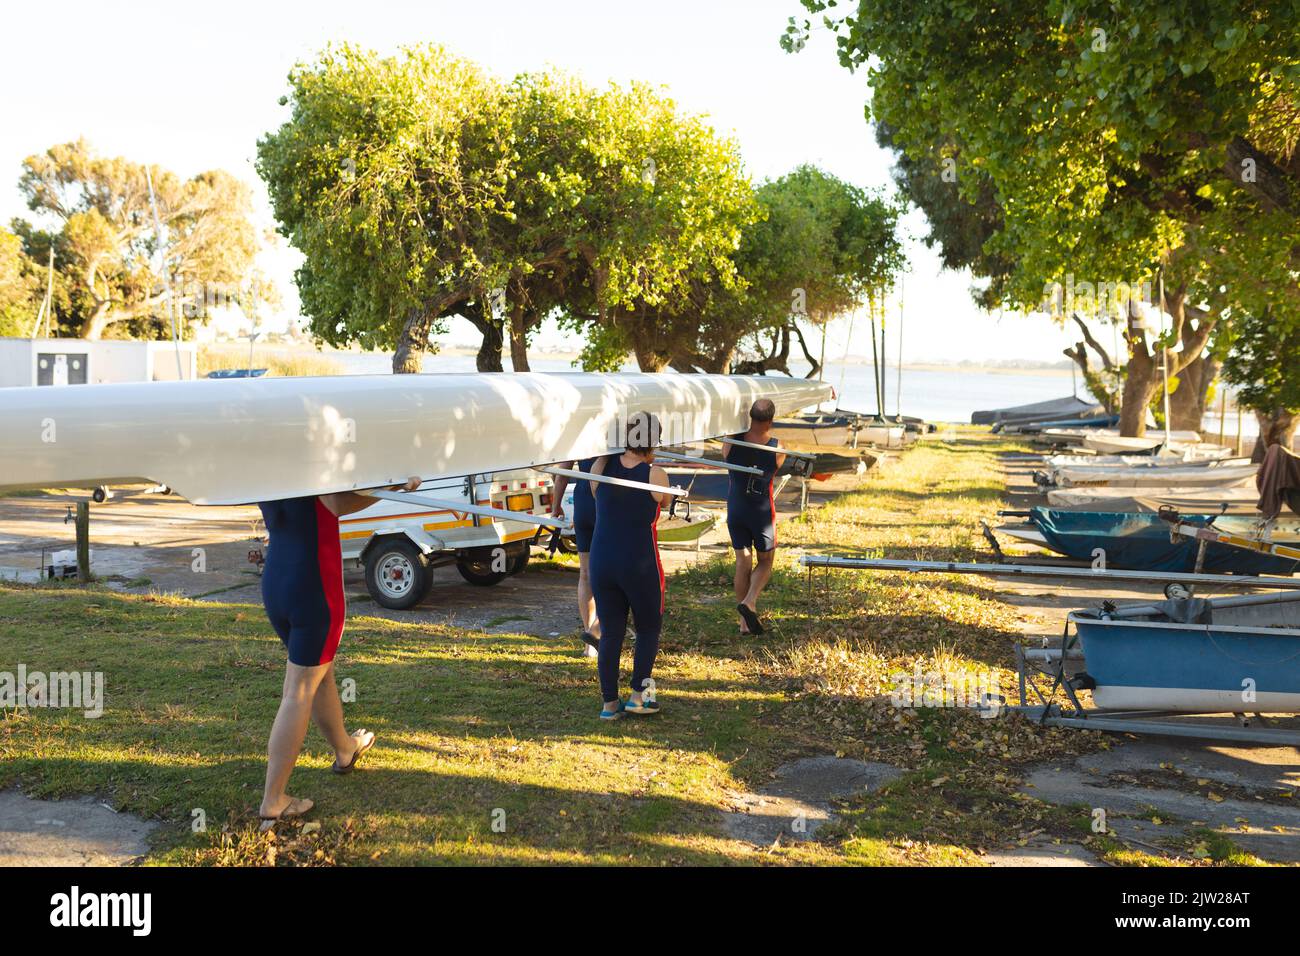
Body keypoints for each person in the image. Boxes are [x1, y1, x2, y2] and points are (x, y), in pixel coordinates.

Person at [256, 475, 420, 829]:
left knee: (317, 672)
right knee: (298, 690)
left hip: (278, 581)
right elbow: (336, 503)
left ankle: (345, 749)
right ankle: (274, 800)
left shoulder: (263, 451)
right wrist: (395, 485)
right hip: (313, 586)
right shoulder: (312, 452)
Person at [588, 412, 671, 718]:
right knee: (648, 629)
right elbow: (664, 503)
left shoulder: (601, 466)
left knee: (611, 632)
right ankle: (640, 697)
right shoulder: (655, 474)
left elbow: (596, 494)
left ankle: (609, 703)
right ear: (654, 441)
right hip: (640, 562)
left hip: (602, 560)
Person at [724, 399, 786, 635]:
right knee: (766, 562)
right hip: (760, 511)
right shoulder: (777, 447)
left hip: (736, 508)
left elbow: (727, 456)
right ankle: (749, 601)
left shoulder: (731, 442)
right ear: (770, 420)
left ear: (750, 417)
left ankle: (743, 623)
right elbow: (776, 467)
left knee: (743, 561)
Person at [551, 458, 601, 658]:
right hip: (606, 502)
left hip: (583, 503)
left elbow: (562, 473)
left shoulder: (579, 432)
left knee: (586, 573)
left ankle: (590, 643)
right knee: (613, 574)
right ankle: (595, 633)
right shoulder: (617, 430)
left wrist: (556, 506)